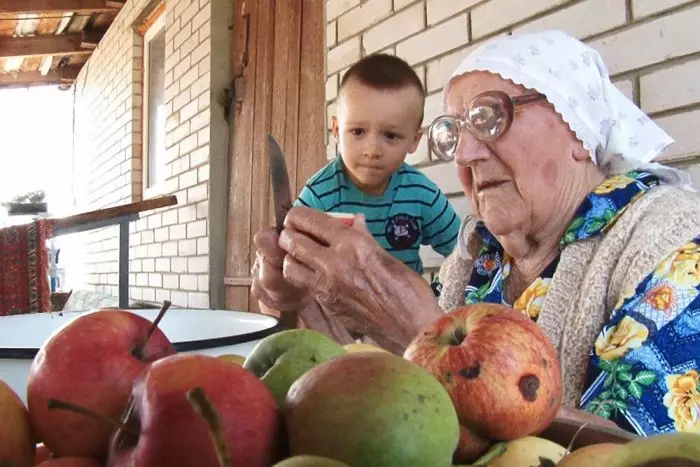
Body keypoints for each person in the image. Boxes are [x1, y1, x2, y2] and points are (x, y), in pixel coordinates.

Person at [250, 29, 700, 436]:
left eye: (488, 117)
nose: (463, 154)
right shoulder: (479, 258)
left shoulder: (672, 243)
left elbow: (643, 452)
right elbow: (398, 394)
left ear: (576, 128)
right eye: (453, 131)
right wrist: (307, 298)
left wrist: (431, 341)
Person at [295, 53, 461, 276]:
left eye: (391, 136)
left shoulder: (422, 194)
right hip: (337, 308)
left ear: (414, 140)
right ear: (336, 131)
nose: (372, 151)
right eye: (358, 132)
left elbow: (465, 253)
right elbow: (290, 251)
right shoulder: (319, 195)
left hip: (405, 310)